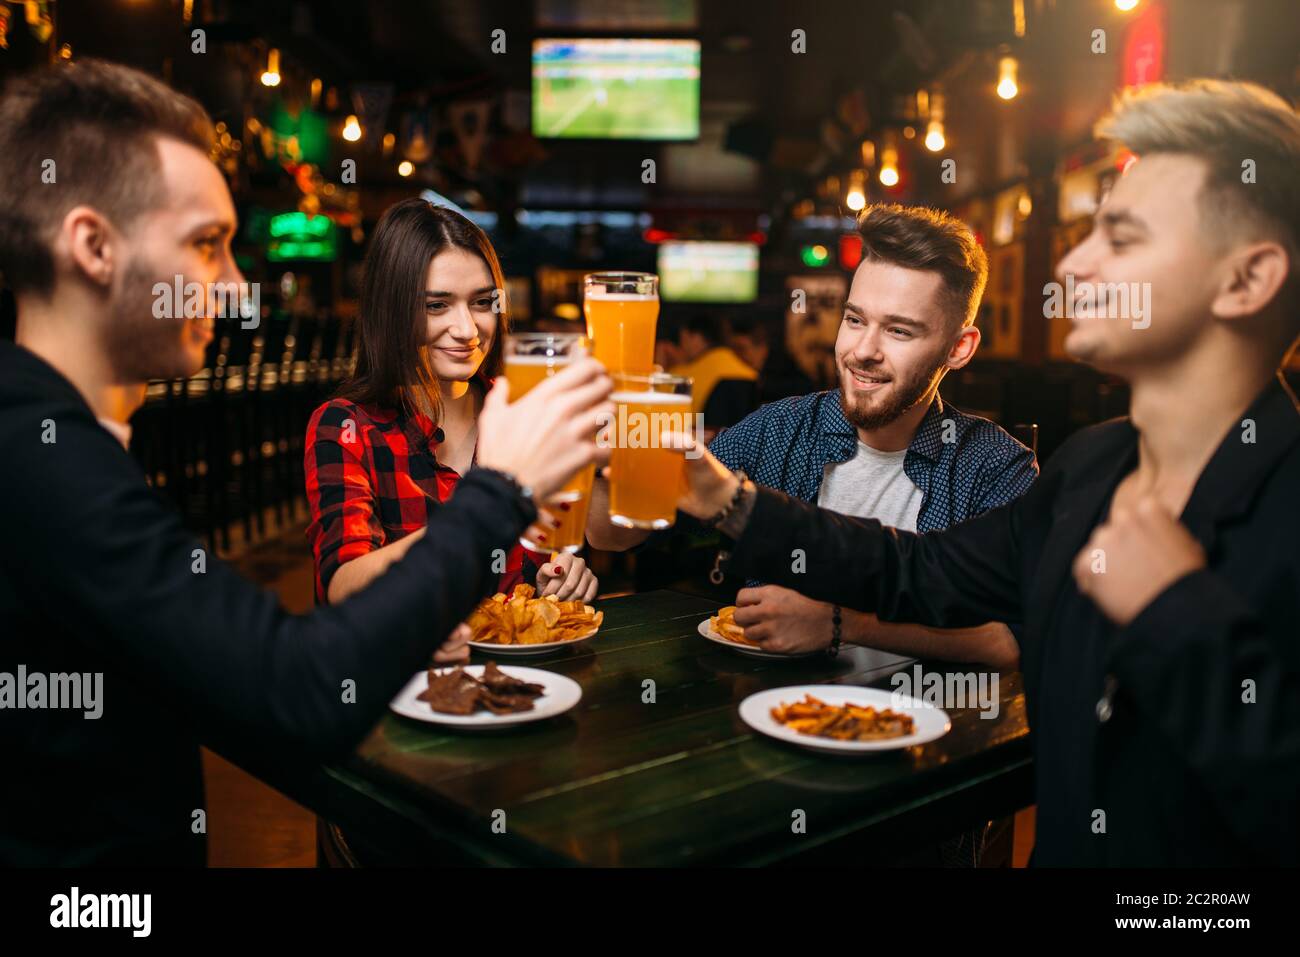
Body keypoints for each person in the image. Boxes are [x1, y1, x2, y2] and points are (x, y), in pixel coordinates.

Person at [669, 79, 1300, 866]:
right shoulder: (1090, 468)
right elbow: (912, 568)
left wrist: (1179, 617)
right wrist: (726, 498)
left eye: (1124, 237)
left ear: (1247, 279)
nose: (1073, 260)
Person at [0, 58, 612, 866]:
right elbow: (299, 689)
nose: (235, 285)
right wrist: (498, 492)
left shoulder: (60, 440)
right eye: (207, 244)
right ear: (92, 247)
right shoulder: (44, 464)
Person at [592, 204, 1036, 671]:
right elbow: (615, 537)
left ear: (958, 348)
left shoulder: (995, 466)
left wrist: (843, 624)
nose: (863, 352)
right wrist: (608, 450)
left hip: (925, 729)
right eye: (855, 320)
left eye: (899, 330)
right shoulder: (780, 429)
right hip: (774, 715)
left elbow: (1009, 639)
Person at [305, 199, 598, 669]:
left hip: (523, 679)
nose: (467, 329)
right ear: (391, 309)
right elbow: (343, 587)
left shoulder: (521, 410)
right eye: (437, 305)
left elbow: (577, 539)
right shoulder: (347, 426)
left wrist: (558, 578)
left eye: (482, 302)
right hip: (400, 687)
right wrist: (476, 515)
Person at [669, 313, 758, 427]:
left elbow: (666, 420)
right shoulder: (750, 373)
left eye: (683, 338)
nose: (681, 346)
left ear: (696, 338)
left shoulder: (680, 376)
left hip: (700, 441)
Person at [726, 314, 814, 404]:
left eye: (740, 348)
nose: (735, 355)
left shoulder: (785, 372)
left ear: (761, 346)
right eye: (732, 350)